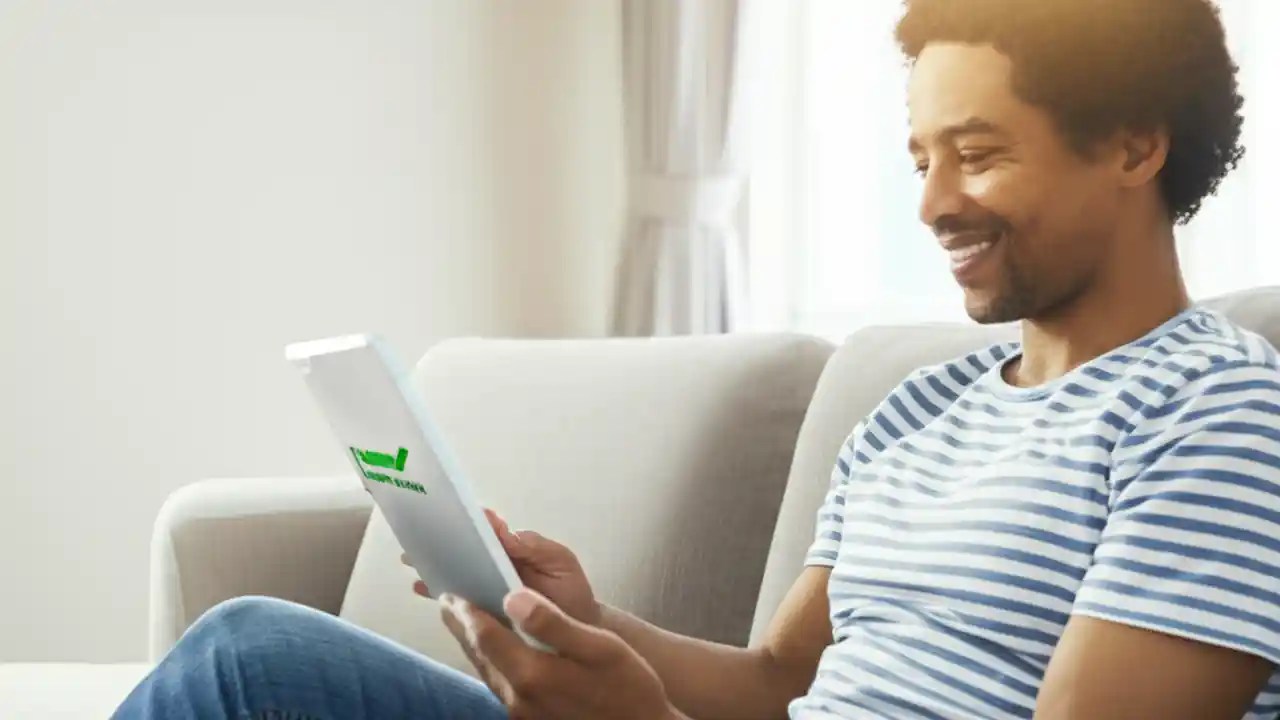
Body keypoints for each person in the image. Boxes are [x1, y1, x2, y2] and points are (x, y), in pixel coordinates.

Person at [114, 0, 1280, 717]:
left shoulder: (1215, 418)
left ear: (1133, 146)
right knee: (249, 659)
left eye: (974, 154)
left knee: (252, 666)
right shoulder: (918, 410)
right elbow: (778, 683)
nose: (931, 203)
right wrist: (596, 621)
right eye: (917, 156)